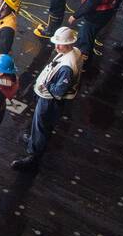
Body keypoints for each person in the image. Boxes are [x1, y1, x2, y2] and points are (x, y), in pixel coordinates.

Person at [10, 27, 83, 171]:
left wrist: (46, 85)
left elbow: (58, 91)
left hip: (49, 100)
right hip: (48, 98)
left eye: (60, 44)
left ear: (69, 44)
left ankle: (33, 156)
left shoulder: (67, 67)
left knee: (41, 126)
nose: (56, 47)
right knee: (41, 125)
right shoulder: (75, 52)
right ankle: (34, 142)